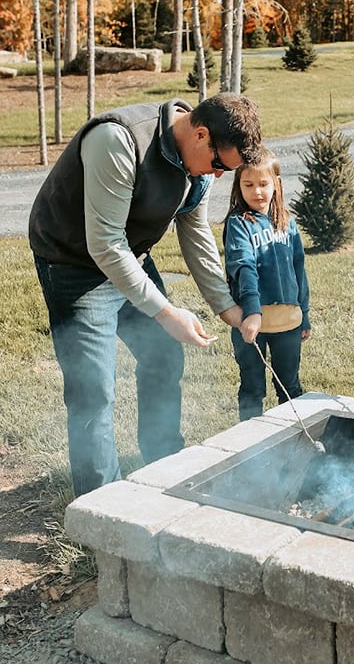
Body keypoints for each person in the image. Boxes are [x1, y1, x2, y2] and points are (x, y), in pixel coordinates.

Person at [28, 92, 261, 496]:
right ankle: (102, 504)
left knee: (162, 354)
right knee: (93, 387)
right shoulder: (117, 141)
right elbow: (104, 245)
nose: (219, 175)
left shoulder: (199, 167)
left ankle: (164, 464)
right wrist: (165, 310)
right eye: (220, 164)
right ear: (201, 134)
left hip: (128, 253)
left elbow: (194, 230)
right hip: (73, 261)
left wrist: (225, 305)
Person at [223, 146, 311, 421]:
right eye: (248, 184)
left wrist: (304, 315)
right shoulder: (239, 223)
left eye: (263, 184)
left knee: (289, 386)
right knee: (252, 388)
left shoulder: (288, 222)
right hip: (252, 325)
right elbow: (243, 268)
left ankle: (297, 439)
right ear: (238, 186)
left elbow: (299, 269)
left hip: (288, 323)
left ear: (277, 184)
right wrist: (251, 313)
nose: (257, 192)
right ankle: (249, 449)